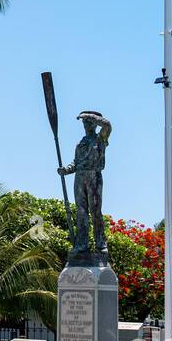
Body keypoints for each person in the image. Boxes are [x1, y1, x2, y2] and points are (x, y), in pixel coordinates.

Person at [58, 110, 111, 265]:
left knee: (95, 211)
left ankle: (100, 244)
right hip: (80, 177)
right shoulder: (80, 143)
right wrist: (66, 170)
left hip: (94, 177)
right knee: (81, 212)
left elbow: (107, 126)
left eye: (88, 121)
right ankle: (82, 245)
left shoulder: (100, 139)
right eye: (84, 122)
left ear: (94, 123)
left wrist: (93, 117)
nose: (85, 124)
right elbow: (76, 162)